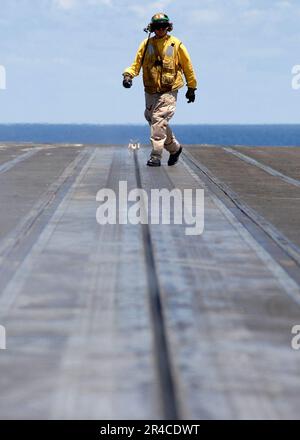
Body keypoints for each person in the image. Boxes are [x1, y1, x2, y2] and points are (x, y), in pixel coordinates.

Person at [122, 12, 197, 167]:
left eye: (164, 26)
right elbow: (136, 65)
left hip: (169, 90)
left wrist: (192, 87)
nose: (161, 29)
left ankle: (156, 156)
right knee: (153, 119)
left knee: (158, 120)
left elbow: (188, 67)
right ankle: (175, 148)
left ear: (168, 27)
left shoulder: (176, 45)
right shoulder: (146, 44)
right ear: (152, 28)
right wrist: (128, 76)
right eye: (157, 27)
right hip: (150, 90)